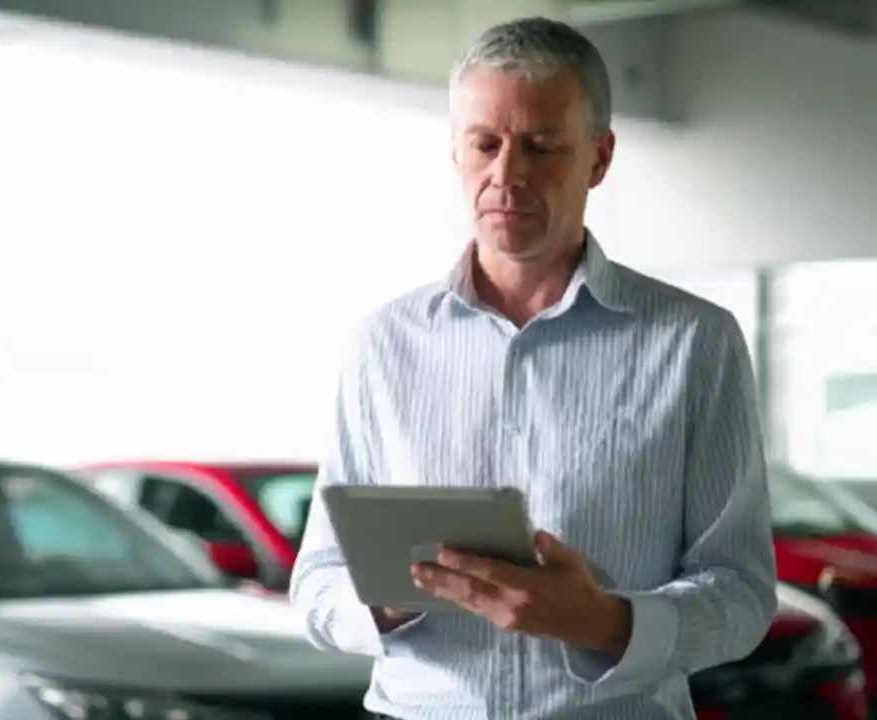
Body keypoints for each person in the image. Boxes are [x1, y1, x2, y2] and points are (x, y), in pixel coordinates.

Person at [289, 16, 775, 720]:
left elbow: (740, 592)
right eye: (484, 144)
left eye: (542, 146)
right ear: (456, 152)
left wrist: (602, 621)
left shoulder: (696, 342)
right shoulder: (381, 344)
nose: (506, 174)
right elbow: (316, 586)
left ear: (599, 158)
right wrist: (383, 600)